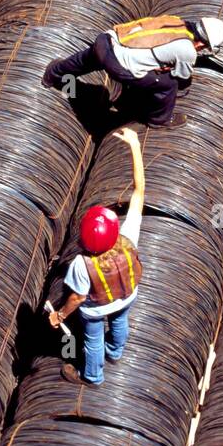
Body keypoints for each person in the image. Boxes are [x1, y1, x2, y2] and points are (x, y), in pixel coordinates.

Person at [49, 126, 145, 385]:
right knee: (119, 321)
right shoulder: (127, 239)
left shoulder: (82, 264)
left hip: (96, 309)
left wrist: (59, 315)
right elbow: (139, 192)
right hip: (128, 296)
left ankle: (92, 375)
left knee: (93, 339)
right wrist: (135, 146)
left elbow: (78, 297)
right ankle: (115, 351)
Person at [42, 13, 223, 129]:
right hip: (117, 64)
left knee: (85, 60)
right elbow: (182, 77)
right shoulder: (187, 50)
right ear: (202, 44)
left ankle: (53, 74)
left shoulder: (175, 21)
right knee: (168, 84)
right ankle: (160, 120)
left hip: (106, 40)